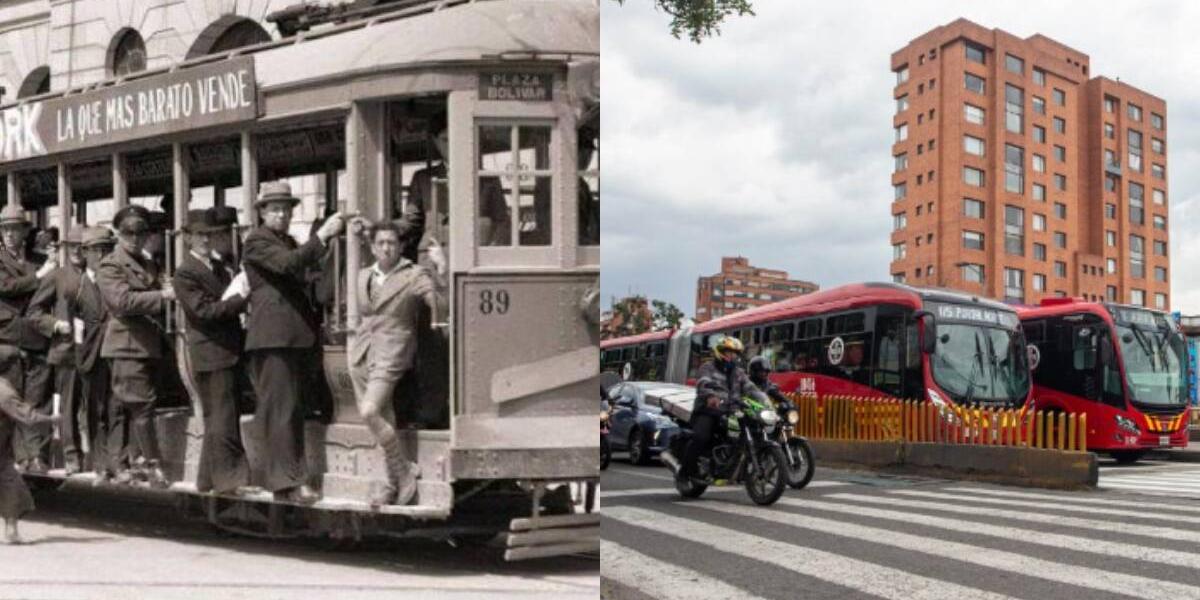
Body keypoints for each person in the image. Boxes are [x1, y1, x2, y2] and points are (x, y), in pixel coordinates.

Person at [243, 181, 343, 504]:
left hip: (292, 336)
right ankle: (284, 484)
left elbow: (301, 269)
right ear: (262, 213)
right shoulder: (257, 241)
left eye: (286, 209)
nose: (282, 214)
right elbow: (289, 265)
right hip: (274, 338)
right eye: (275, 209)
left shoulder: (285, 240)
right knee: (280, 411)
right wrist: (323, 236)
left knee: (293, 409)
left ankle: (290, 480)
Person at [348, 219, 445, 506]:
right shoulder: (364, 275)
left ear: (401, 246)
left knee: (369, 411)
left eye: (392, 243)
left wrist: (441, 268)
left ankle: (403, 472)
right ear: (373, 247)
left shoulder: (414, 275)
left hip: (393, 350)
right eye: (381, 243)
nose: (387, 248)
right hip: (362, 353)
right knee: (382, 417)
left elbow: (441, 306)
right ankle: (391, 482)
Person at [96, 204, 175, 488]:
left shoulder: (148, 263)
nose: (135, 238)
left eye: (141, 232)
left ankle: (126, 462)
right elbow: (122, 302)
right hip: (126, 345)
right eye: (129, 233)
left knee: (133, 406)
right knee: (142, 406)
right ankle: (152, 465)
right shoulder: (110, 265)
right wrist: (162, 295)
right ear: (118, 233)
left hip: (147, 344)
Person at [174, 209, 250, 495]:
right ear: (189, 239)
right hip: (211, 352)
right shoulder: (185, 273)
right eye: (199, 235)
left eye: (209, 234)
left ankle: (206, 479)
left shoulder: (218, 267)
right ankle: (229, 479)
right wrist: (239, 302)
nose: (206, 240)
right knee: (223, 417)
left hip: (225, 348)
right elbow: (203, 311)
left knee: (217, 416)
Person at [0, 204, 55, 473]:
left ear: (24, 232)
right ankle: (18, 457)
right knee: (12, 401)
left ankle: (37, 456)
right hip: (8, 338)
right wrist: (38, 277)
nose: (9, 234)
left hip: (36, 336)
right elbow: (6, 287)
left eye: (14, 229)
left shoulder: (38, 259)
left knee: (37, 398)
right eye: (5, 229)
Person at [27, 228, 84, 473]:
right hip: (67, 349)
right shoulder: (58, 276)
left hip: (94, 350)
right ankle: (71, 456)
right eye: (72, 246)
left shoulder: (98, 275)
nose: (77, 251)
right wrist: (55, 325)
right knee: (68, 405)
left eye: (82, 247)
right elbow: (34, 313)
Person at [74, 227, 123, 483]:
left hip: (116, 352)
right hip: (91, 356)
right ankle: (100, 464)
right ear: (85, 253)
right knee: (96, 409)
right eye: (95, 250)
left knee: (117, 407)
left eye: (105, 249)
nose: (101, 255)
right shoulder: (78, 285)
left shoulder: (116, 279)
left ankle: (116, 461)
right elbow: (71, 323)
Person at [677, 336, 761, 482]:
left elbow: (751, 388)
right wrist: (711, 396)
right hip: (708, 411)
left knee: (751, 429)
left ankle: (733, 465)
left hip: (731, 412)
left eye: (735, 353)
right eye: (729, 352)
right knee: (701, 437)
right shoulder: (707, 367)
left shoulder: (739, 373)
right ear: (720, 352)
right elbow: (703, 382)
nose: (732, 356)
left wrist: (764, 399)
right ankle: (685, 472)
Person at [0, 376, 57, 543]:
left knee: (11, 483)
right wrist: (51, 420)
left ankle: (11, 530)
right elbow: (26, 416)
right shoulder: (3, 390)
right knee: (11, 484)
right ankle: (11, 530)